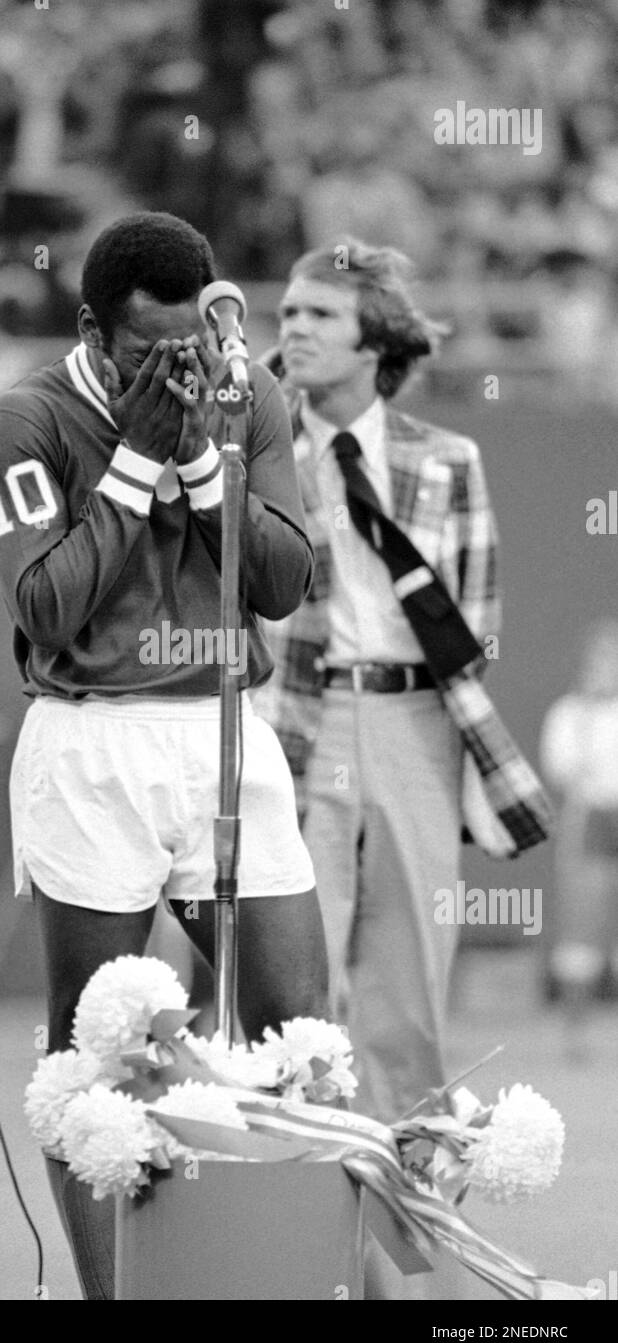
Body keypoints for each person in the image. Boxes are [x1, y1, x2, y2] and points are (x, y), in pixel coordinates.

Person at [0, 211, 329, 1299]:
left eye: (192, 346)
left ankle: (282, 1279)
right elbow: (45, 609)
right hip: (91, 741)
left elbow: (283, 581)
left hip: (222, 725)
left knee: (297, 1036)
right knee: (96, 1057)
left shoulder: (245, 393)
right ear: (89, 328)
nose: (178, 369)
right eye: (146, 353)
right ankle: (110, 1298)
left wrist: (207, 470)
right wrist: (133, 462)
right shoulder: (22, 421)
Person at [255, 238, 502, 1129]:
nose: (294, 328)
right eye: (287, 313)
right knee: (289, 1001)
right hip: (290, 726)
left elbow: (476, 625)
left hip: (414, 729)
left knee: (410, 1004)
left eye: (319, 314)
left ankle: (403, 1258)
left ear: (375, 340)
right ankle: (292, 1240)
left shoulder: (449, 460)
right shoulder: (257, 450)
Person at [540, 618, 618, 1014]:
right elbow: (560, 768)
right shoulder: (570, 713)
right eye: (602, 659)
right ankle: (575, 1021)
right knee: (583, 918)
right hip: (589, 821)